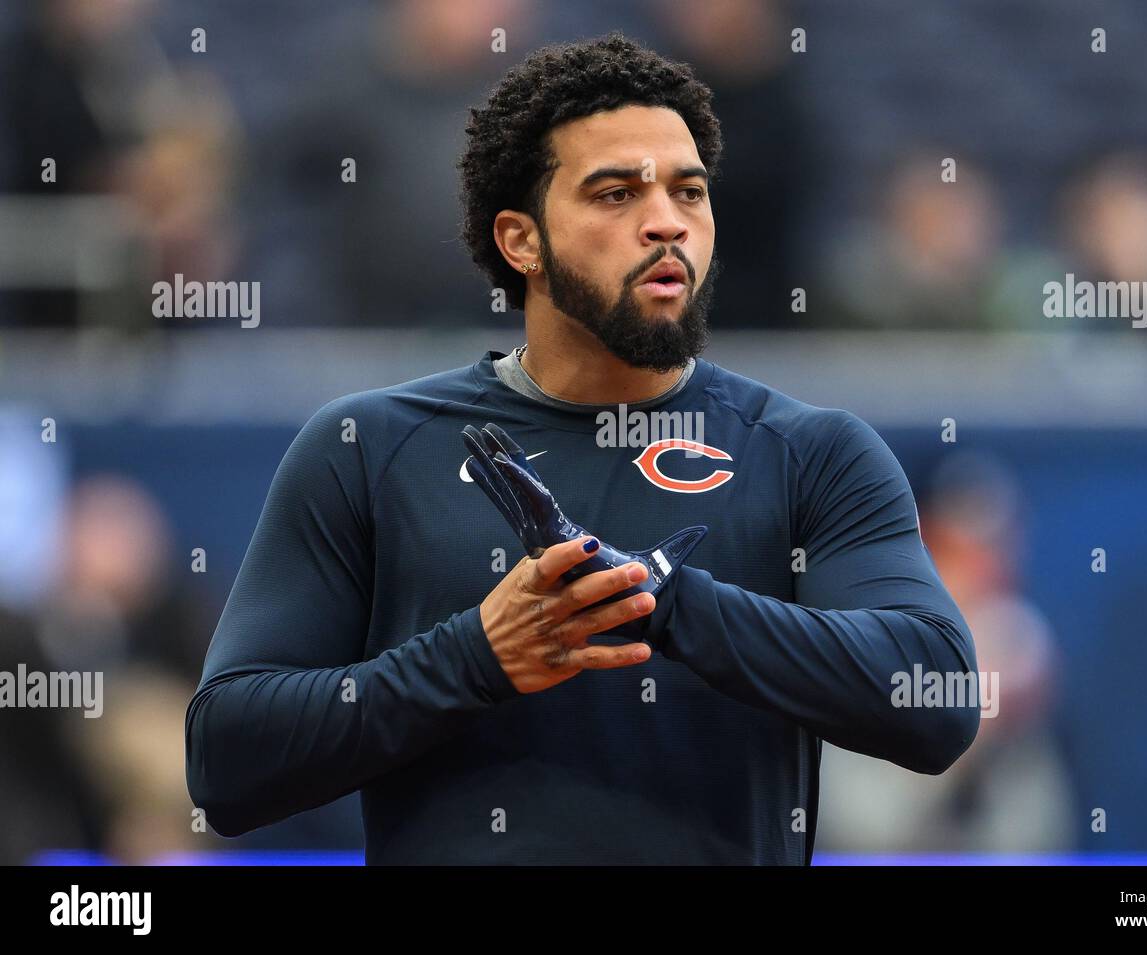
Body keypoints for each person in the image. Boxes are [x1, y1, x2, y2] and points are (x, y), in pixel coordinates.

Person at [185, 32, 979, 865]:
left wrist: (661, 602)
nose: (666, 222)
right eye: (614, 194)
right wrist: (478, 656)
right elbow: (226, 761)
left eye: (689, 192)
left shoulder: (812, 453)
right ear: (521, 240)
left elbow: (937, 698)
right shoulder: (366, 448)